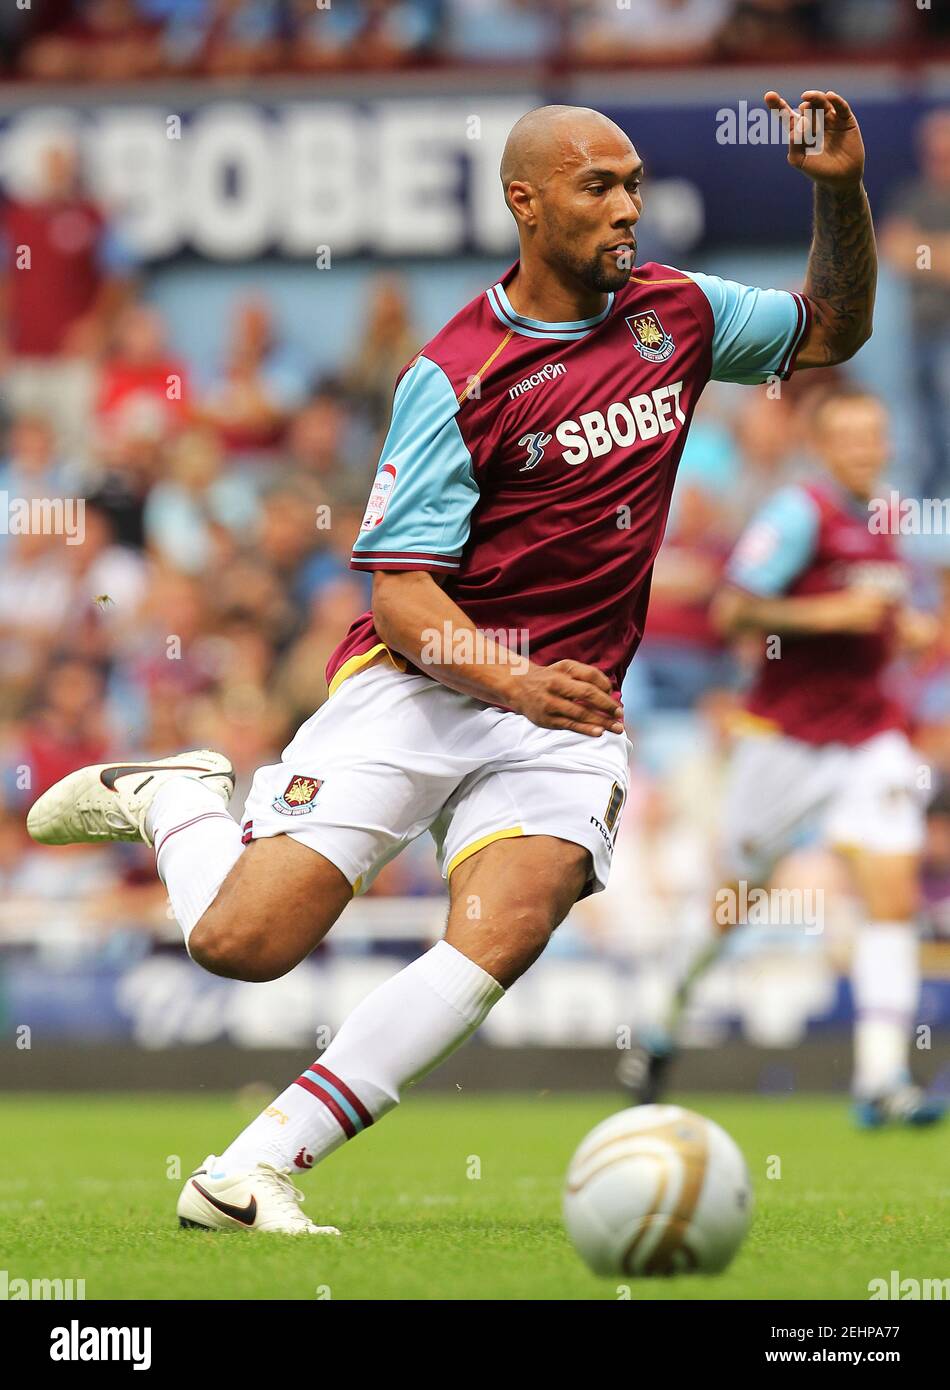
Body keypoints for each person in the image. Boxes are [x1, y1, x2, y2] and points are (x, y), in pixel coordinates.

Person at [28, 93, 877, 1235]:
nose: (626, 207)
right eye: (597, 187)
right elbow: (399, 595)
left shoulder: (675, 312)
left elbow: (830, 328)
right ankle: (175, 797)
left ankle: (248, 1170)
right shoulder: (455, 375)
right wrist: (511, 675)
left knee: (508, 922)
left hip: (563, 711)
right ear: (525, 204)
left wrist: (834, 191)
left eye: (631, 183)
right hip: (421, 684)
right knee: (241, 945)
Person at [627, 388, 945, 1128]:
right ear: (822, 445)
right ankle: (662, 1023)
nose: (869, 448)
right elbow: (734, 608)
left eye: (877, 433)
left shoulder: (889, 514)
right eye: (852, 436)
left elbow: (882, 606)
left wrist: (911, 628)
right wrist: (823, 615)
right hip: (785, 742)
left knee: (891, 889)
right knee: (734, 904)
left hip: (870, 736)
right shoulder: (798, 513)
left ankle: (881, 1080)